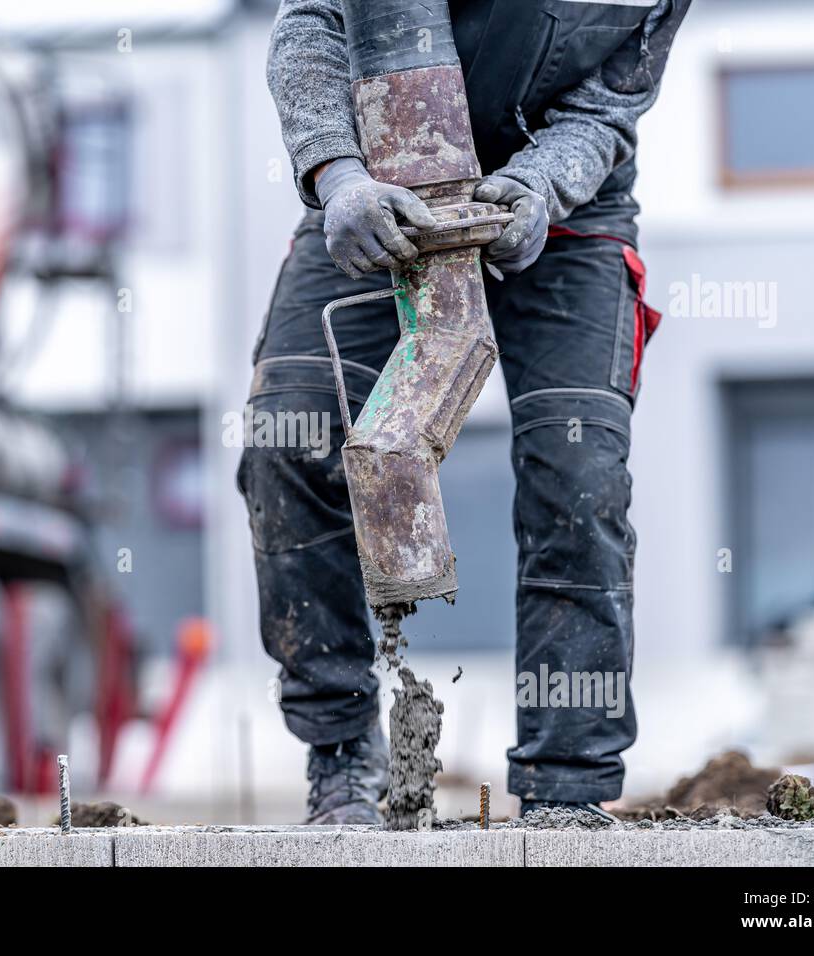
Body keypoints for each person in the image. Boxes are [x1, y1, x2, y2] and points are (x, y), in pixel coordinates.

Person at [240, 0, 691, 823]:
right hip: (377, 189)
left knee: (577, 471)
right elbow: (311, 24)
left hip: (565, 217)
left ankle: (566, 789)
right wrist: (336, 175)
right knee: (288, 431)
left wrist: (540, 184)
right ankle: (342, 754)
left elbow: (610, 101)